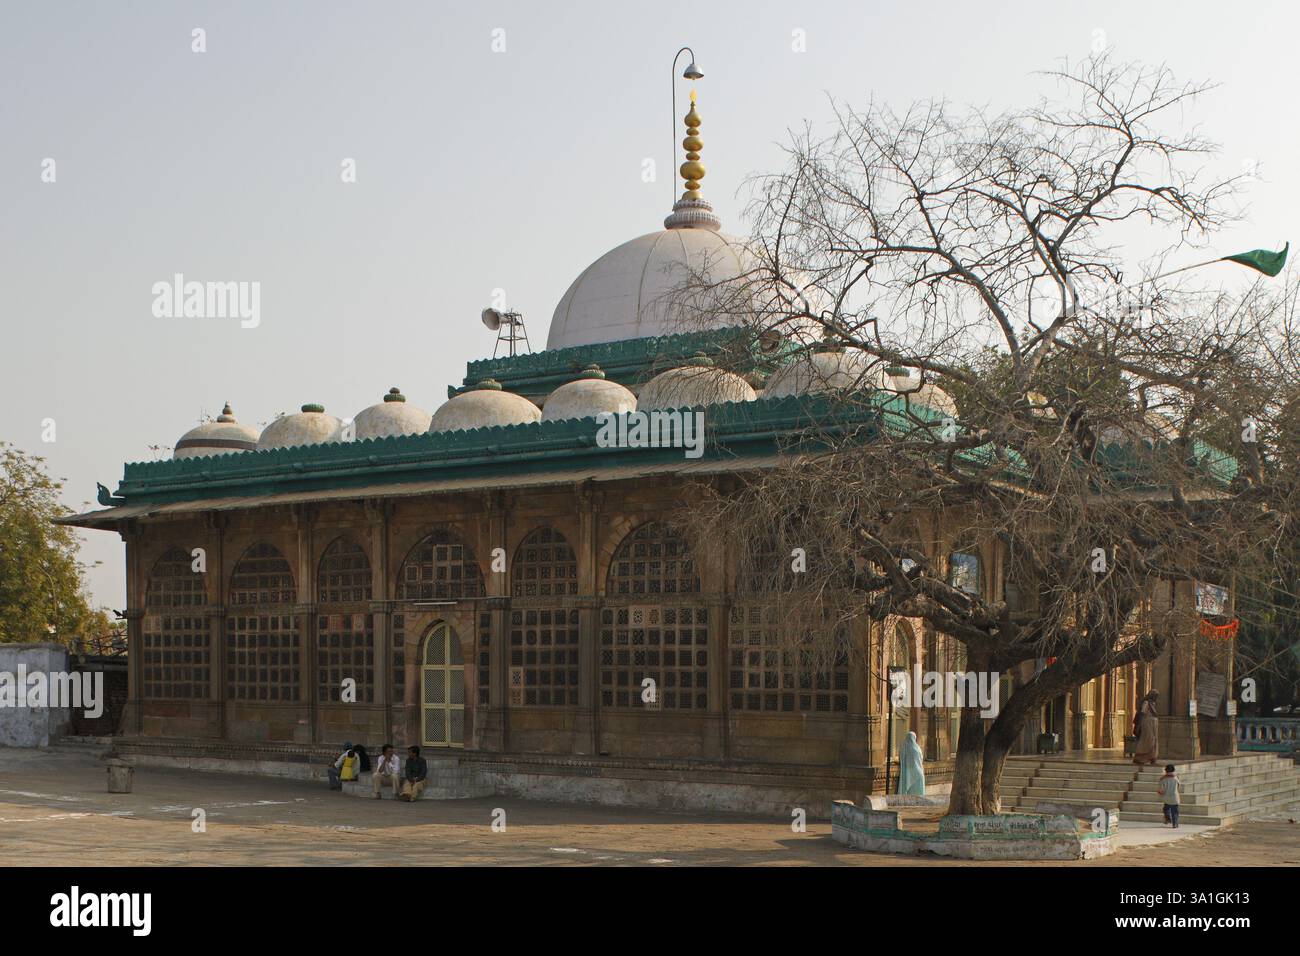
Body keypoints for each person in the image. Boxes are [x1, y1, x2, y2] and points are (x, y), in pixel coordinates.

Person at [1133, 691, 1160, 766]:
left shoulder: (1153, 704)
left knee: (1154, 740)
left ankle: (1153, 758)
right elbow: (1142, 714)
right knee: (1147, 740)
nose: (1156, 698)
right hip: (1147, 724)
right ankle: (1140, 758)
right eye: (1155, 696)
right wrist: (1139, 725)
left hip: (1153, 725)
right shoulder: (1146, 703)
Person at [898, 730, 926, 796]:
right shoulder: (917, 748)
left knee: (909, 789)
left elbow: (901, 758)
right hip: (918, 771)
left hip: (908, 771)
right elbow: (920, 759)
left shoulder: (904, 747)